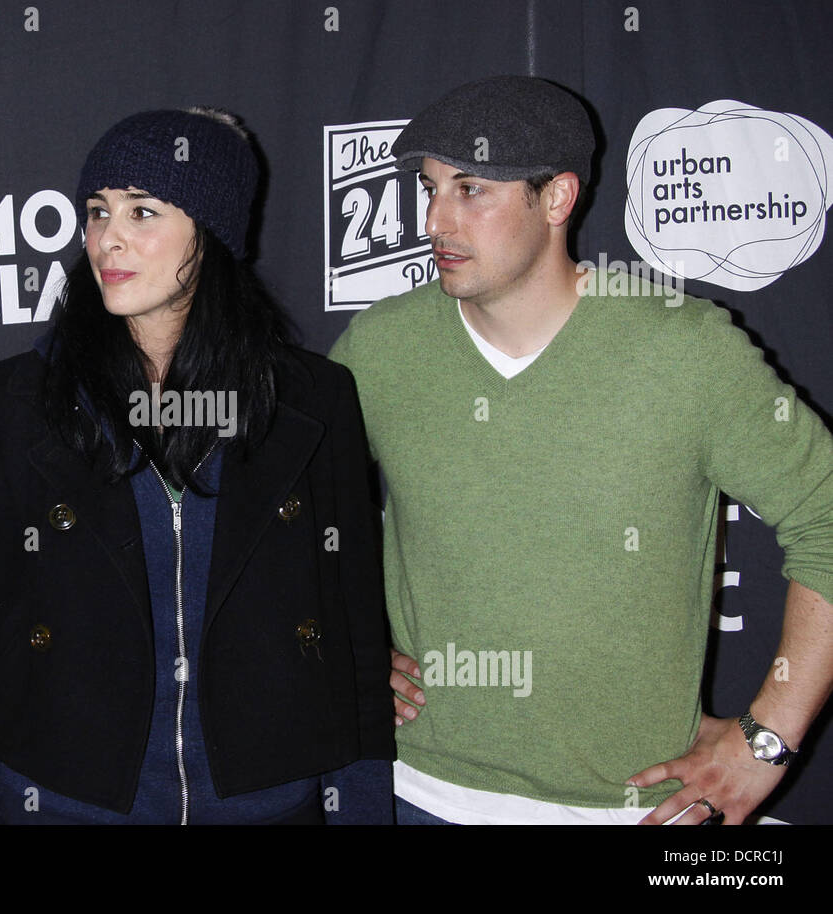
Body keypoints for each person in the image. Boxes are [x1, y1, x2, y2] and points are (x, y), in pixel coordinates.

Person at [330, 75, 833, 825]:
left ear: (558, 199)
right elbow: (289, 519)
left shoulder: (685, 351)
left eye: (471, 190)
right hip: (408, 790)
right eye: (430, 188)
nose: (435, 218)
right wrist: (347, 644)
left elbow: (826, 518)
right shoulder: (381, 348)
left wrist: (768, 739)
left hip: (628, 808)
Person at [0, 108, 395, 823]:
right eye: (97, 212)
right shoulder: (16, 400)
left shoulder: (313, 397)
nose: (108, 238)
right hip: (70, 798)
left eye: (143, 211)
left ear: (212, 232)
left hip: (267, 798)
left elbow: (351, 628)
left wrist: (363, 803)